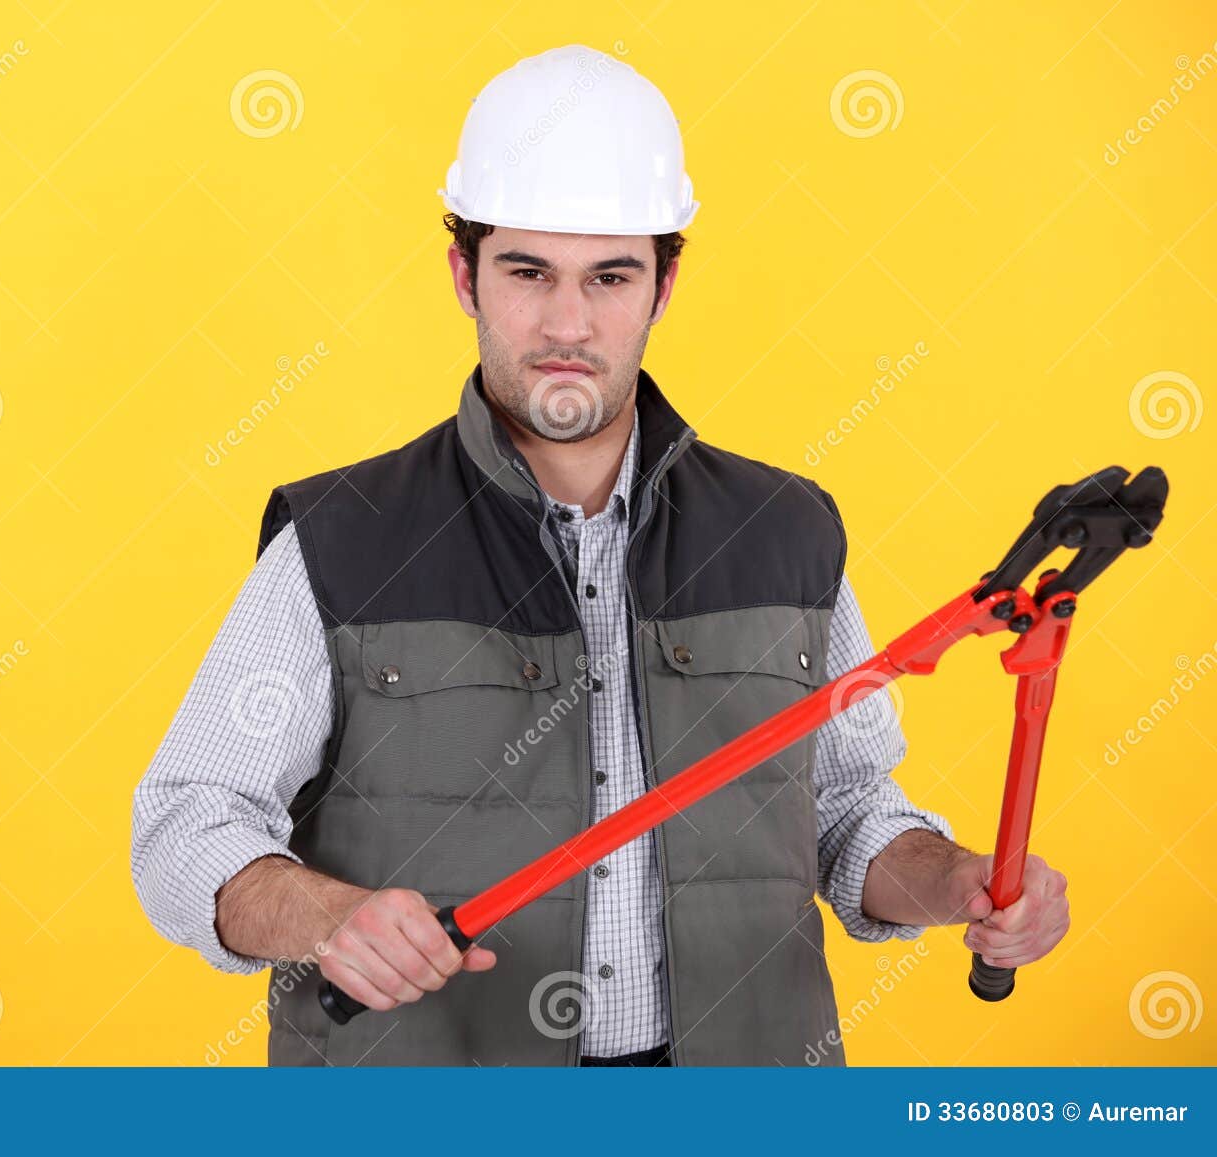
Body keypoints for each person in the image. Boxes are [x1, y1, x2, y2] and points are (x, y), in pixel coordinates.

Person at [131, 44, 1070, 1067]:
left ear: (663, 285)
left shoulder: (786, 533)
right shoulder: (342, 538)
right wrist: (322, 915)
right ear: (465, 275)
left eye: (609, 276)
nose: (567, 324)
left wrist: (952, 877)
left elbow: (847, 811)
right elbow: (187, 824)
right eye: (528, 272)